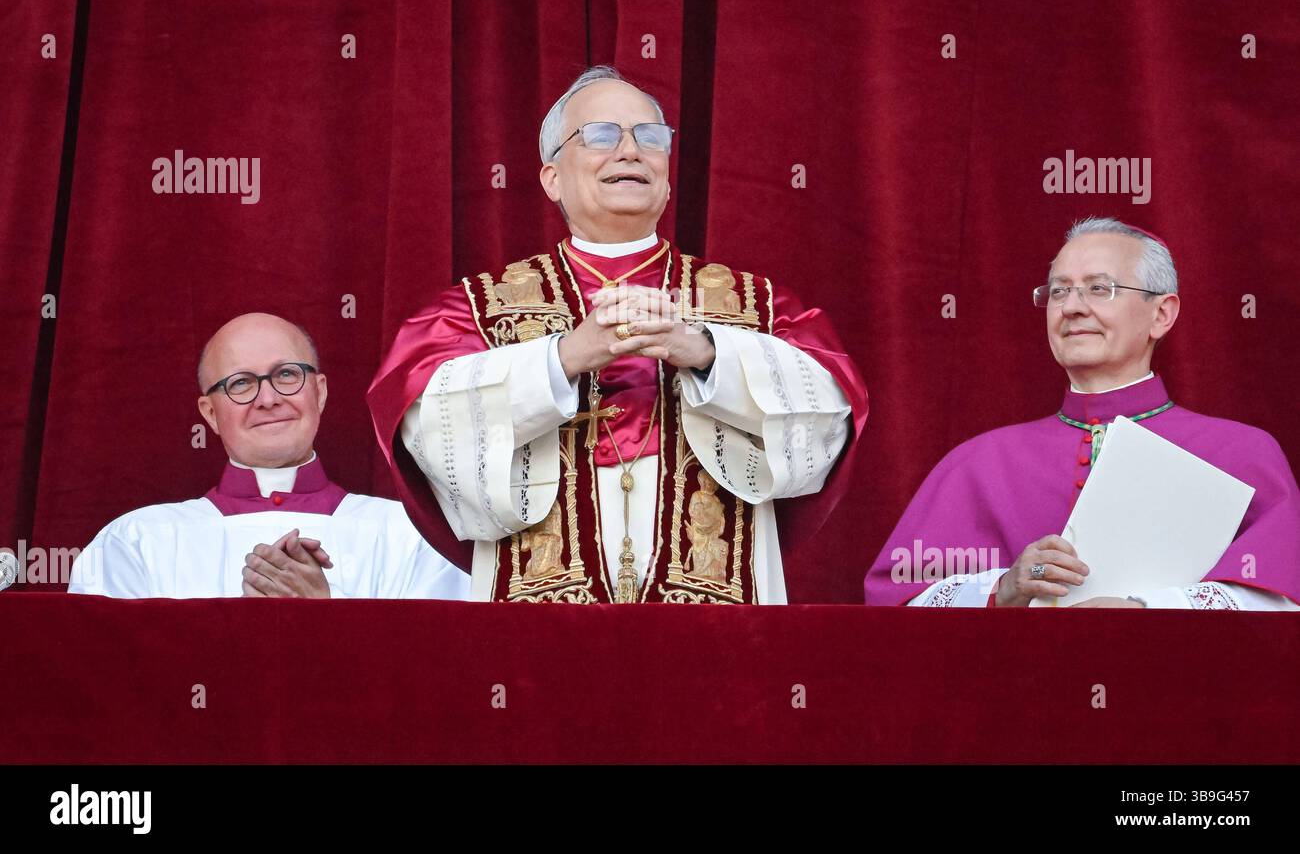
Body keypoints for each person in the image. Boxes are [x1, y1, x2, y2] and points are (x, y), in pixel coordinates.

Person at [369, 65, 868, 603]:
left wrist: (707, 354)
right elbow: (423, 426)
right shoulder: (477, 308)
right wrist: (560, 360)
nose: (630, 151)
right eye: (601, 135)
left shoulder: (754, 305)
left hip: (717, 602)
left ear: (668, 171)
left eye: (649, 137)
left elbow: (828, 422)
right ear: (552, 177)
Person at [864, 218, 1300, 610]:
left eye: (1099, 288)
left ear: (1161, 314)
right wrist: (1004, 588)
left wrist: (1150, 609)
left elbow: (1281, 600)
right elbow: (896, 608)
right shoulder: (977, 463)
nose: (1071, 307)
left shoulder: (1241, 453)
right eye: (1058, 290)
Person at [67, 313, 468, 600]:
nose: (269, 399)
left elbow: (433, 678)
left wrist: (326, 618)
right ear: (210, 414)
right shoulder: (136, 542)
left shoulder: (413, 535)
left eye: (287, 375)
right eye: (241, 383)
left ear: (321, 392)